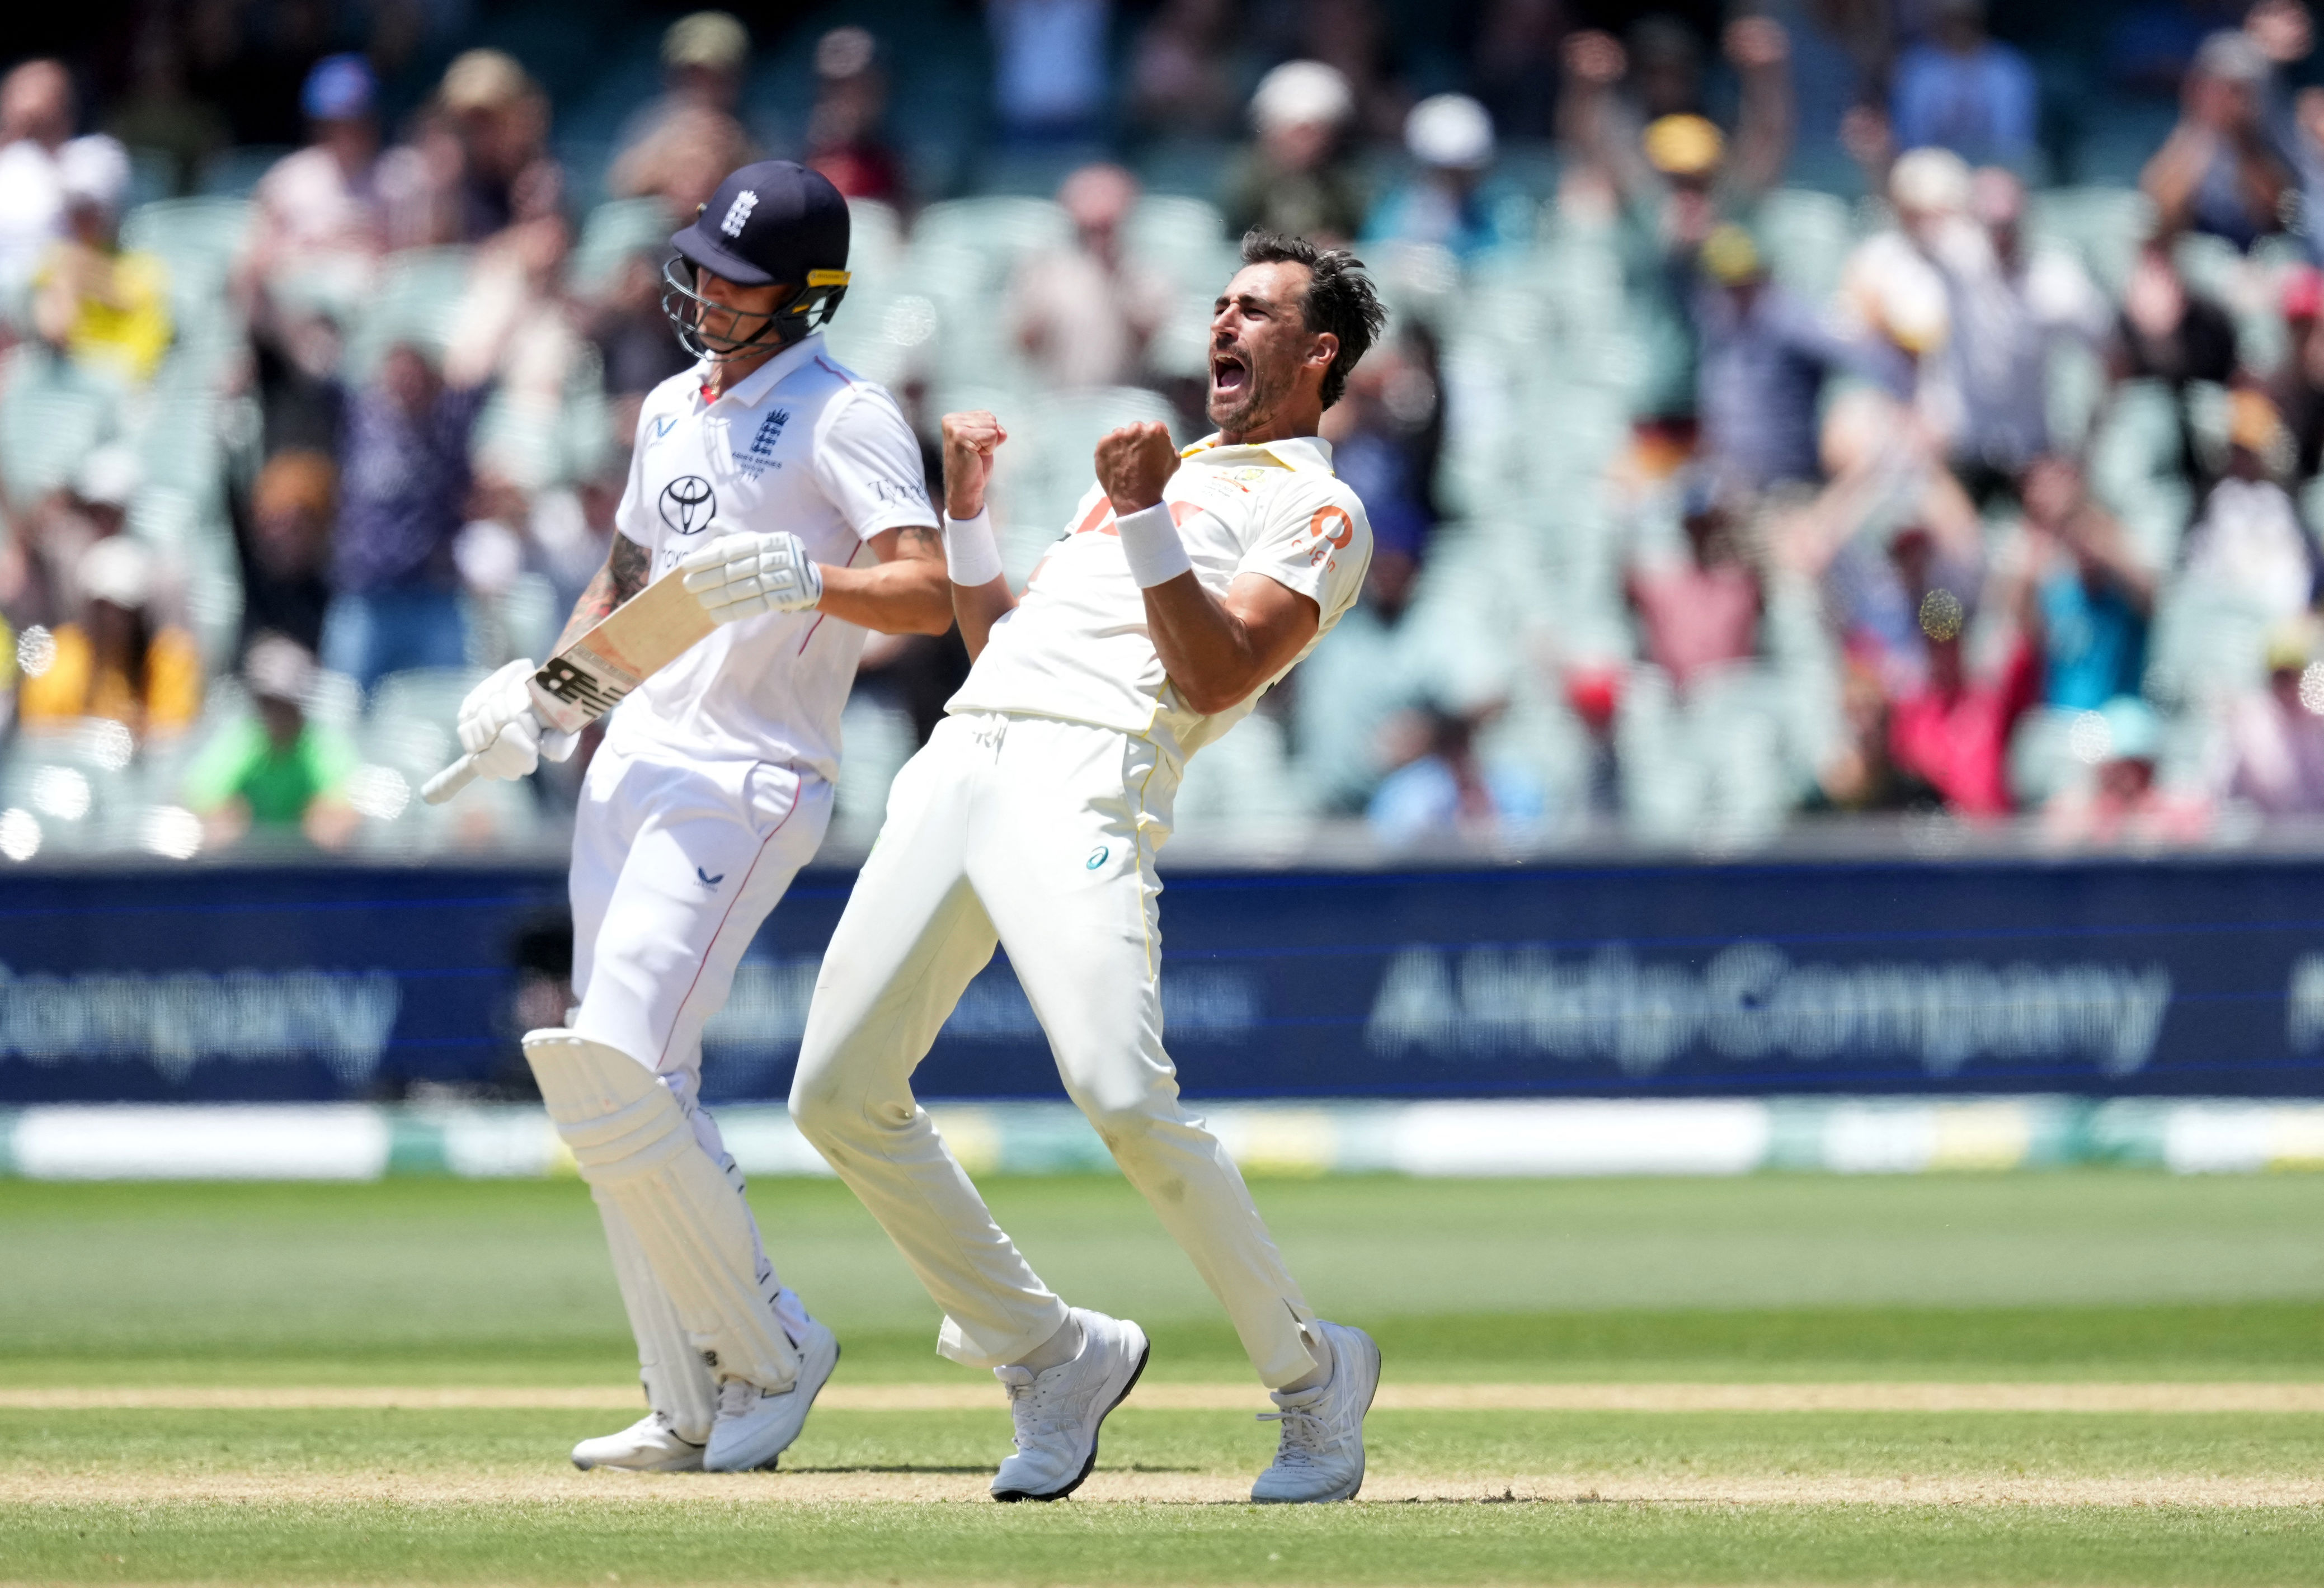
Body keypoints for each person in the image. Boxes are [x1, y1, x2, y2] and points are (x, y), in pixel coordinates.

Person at [787, 232, 1386, 1504]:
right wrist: (965, 515)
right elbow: (1001, 643)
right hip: (964, 752)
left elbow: (1215, 675)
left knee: (1120, 1090)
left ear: (1316, 351)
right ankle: (1048, 1352)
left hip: (1090, 772)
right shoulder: (1145, 475)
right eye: (1218, 304)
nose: (1221, 324)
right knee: (834, 1092)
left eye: (1255, 310)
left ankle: (1313, 1372)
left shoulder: (1318, 506)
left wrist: (1149, 510)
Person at [453, 161, 951, 1474]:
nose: (708, 294)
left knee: (619, 1061)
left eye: (739, 281)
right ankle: (685, 1396)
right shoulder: (671, 404)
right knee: (608, 1082)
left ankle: (774, 1346)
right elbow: (630, 579)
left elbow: (927, 593)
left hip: (748, 773)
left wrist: (811, 578)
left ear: (808, 295)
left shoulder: (845, 414)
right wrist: (545, 697)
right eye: (704, 268)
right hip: (629, 762)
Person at [181, 634, 360, 851]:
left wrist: (320, 818)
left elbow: (345, 811)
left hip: (309, 863)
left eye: (285, 703)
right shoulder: (241, 739)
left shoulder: (324, 743)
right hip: (247, 861)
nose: (276, 713)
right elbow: (200, 797)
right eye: (267, 703)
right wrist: (229, 814)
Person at [1007, 163, 1171, 389]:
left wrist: (1116, 277)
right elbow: (1021, 341)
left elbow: (1152, 341)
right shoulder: (1043, 271)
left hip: (1123, 398)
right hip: (1051, 396)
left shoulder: (1145, 274)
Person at [31, 136, 171, 386]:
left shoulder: (144, 267)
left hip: (124, 391)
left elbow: (142, 365)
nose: (79, 217)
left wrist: (82, 272)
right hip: (70, 392)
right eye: (73, 207)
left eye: (89, 207)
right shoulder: (55, 260)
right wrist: (68, 279)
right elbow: (55, 331)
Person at [2142, 30, 2293, 251]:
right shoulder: (2180, 137)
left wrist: (2241, 141)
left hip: (2258, 253)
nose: (2225, 97)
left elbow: (2276, 221)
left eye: (2238, 89)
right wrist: (2201, 128)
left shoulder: (2273, 141)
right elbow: (2162, 215)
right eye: (2216, 85)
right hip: (2197, 253)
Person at [1361, 94, 1526, 263]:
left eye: (1465, 172)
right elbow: (1376, 257)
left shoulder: (1495, 213)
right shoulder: (1394, 215)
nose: (1459, 181)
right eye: (1448, 172)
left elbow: (1507, 259)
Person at [1221, 61, 1367, 243]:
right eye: (1298, 132)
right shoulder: (1244, 178)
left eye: (1318, 132)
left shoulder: (1349, 181)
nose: (1307, 143)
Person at [1889, 0, 2038, 169]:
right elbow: (1913, 141)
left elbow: (2014, 143)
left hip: (1996, 168)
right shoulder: (1917, 69)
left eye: (1965, 19)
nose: (1959, 27)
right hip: (1934, 170)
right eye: (1951, 18)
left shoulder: (2007, 68)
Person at [802, 26, 906, 206]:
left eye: (860, 87)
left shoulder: (890, 164)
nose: (847, 98)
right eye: (837, 86)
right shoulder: (803, 158)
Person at [0, 60, 76, 300]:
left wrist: (39, 137)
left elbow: (91, 228)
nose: (26, 104)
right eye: (18, 92)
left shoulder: (92, 155)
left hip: (55, 287)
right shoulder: (7, 160)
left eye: (36, 90)